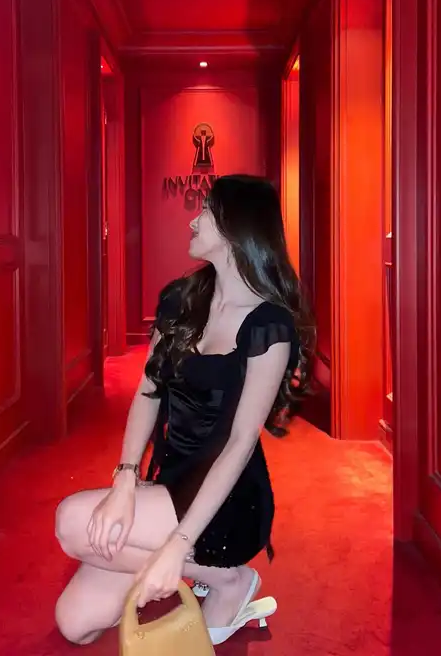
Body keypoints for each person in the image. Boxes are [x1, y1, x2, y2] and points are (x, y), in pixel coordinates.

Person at [54, 174, 315, 646]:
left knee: (72, 524)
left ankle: (227, 578)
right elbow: (148, 391)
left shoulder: (269, 325)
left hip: (226, 497)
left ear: (235, 228)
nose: (193, 221)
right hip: (168, 479)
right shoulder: (181, 299)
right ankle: (186, 564)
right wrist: (126, 480)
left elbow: (240, 442)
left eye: (206, 213)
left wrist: (178, 544)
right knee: (76, 624)